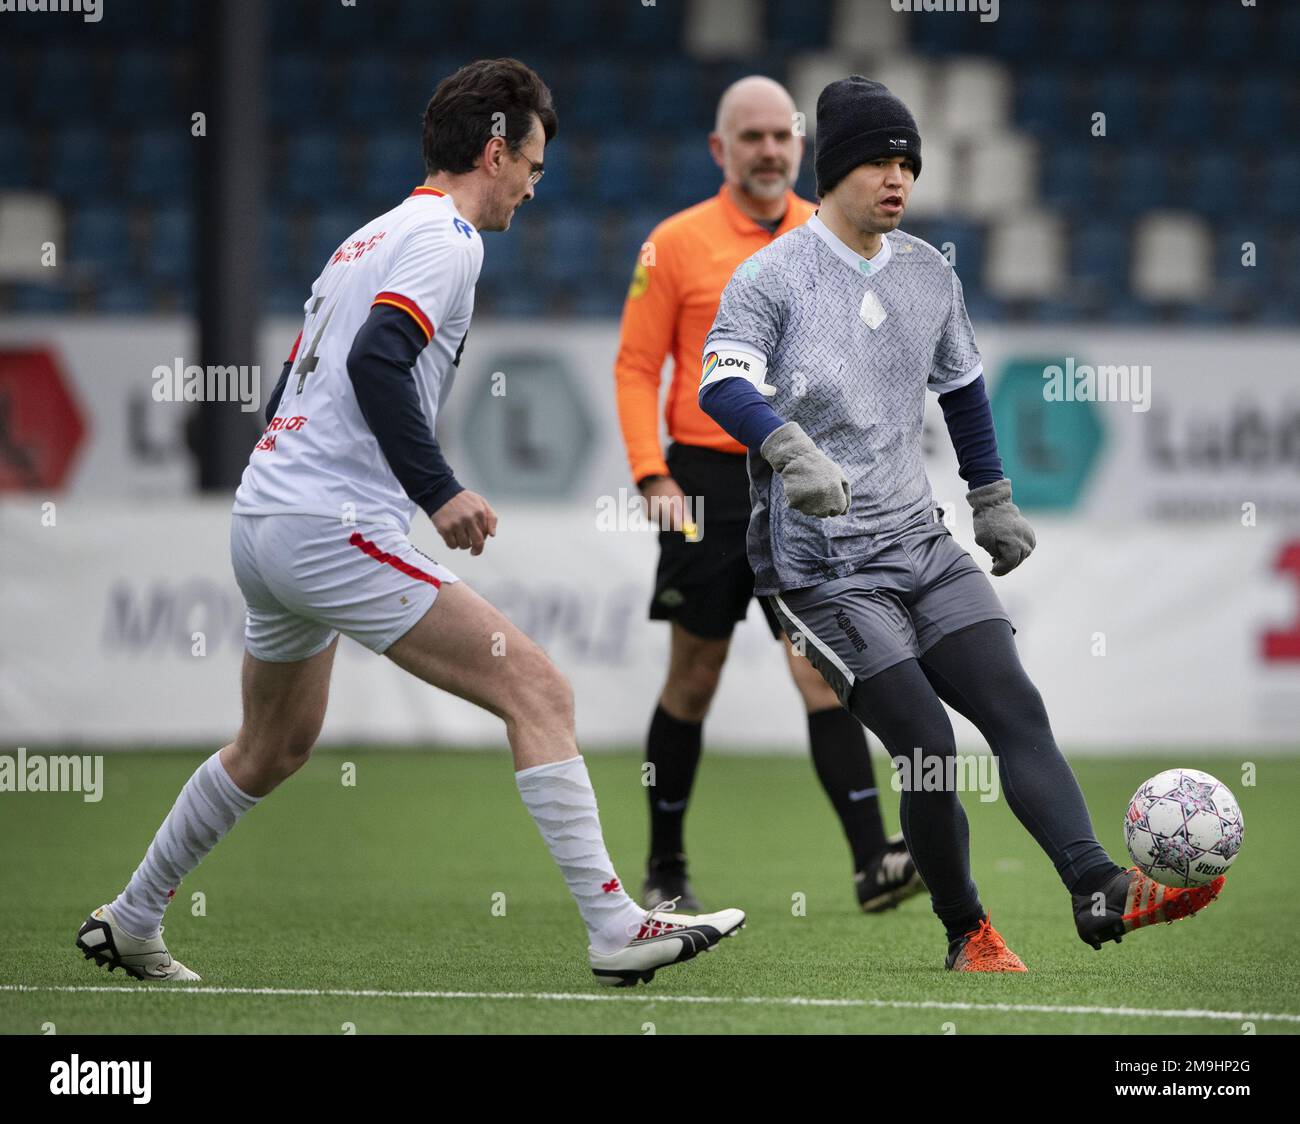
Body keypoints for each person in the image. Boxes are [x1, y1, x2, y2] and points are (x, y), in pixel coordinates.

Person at [75, 58, 743, 991]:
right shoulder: (448, 240)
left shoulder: (367, 236)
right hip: (328, 522)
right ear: (495, 148)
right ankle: (615, 926)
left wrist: (301, 482)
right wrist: (439, 491)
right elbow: (376, 363)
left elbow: (305, 375)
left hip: (266, 515)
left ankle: (132, 917)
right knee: (540, 691)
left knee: (272, 747)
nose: (534, 187)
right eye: (533, 166)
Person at [697, 76, 1224, 971]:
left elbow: (962, 388)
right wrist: (787, 448)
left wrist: (991, 498)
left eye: (907, 162)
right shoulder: (770, 276)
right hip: (820, 569)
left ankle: (1095, 886)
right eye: (877, 160)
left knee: (1014, 705)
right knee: (931, 748)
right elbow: (722, 381)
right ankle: (966, 929)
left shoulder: (930, 272)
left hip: (920, 542)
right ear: (833, 172)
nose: (897, 178)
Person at [614, 75, 921, 914]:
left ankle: (873, 864)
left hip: (807, 480)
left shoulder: (837, 237)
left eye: (783, 136)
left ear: (803, 148)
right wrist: (651, 474)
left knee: (821, 672)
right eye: (750, 137)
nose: (769, 150)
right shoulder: (672, 243)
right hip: (708, 481)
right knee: (695, 674)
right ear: (722, 150)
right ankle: (665, 867)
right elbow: (639, 368)